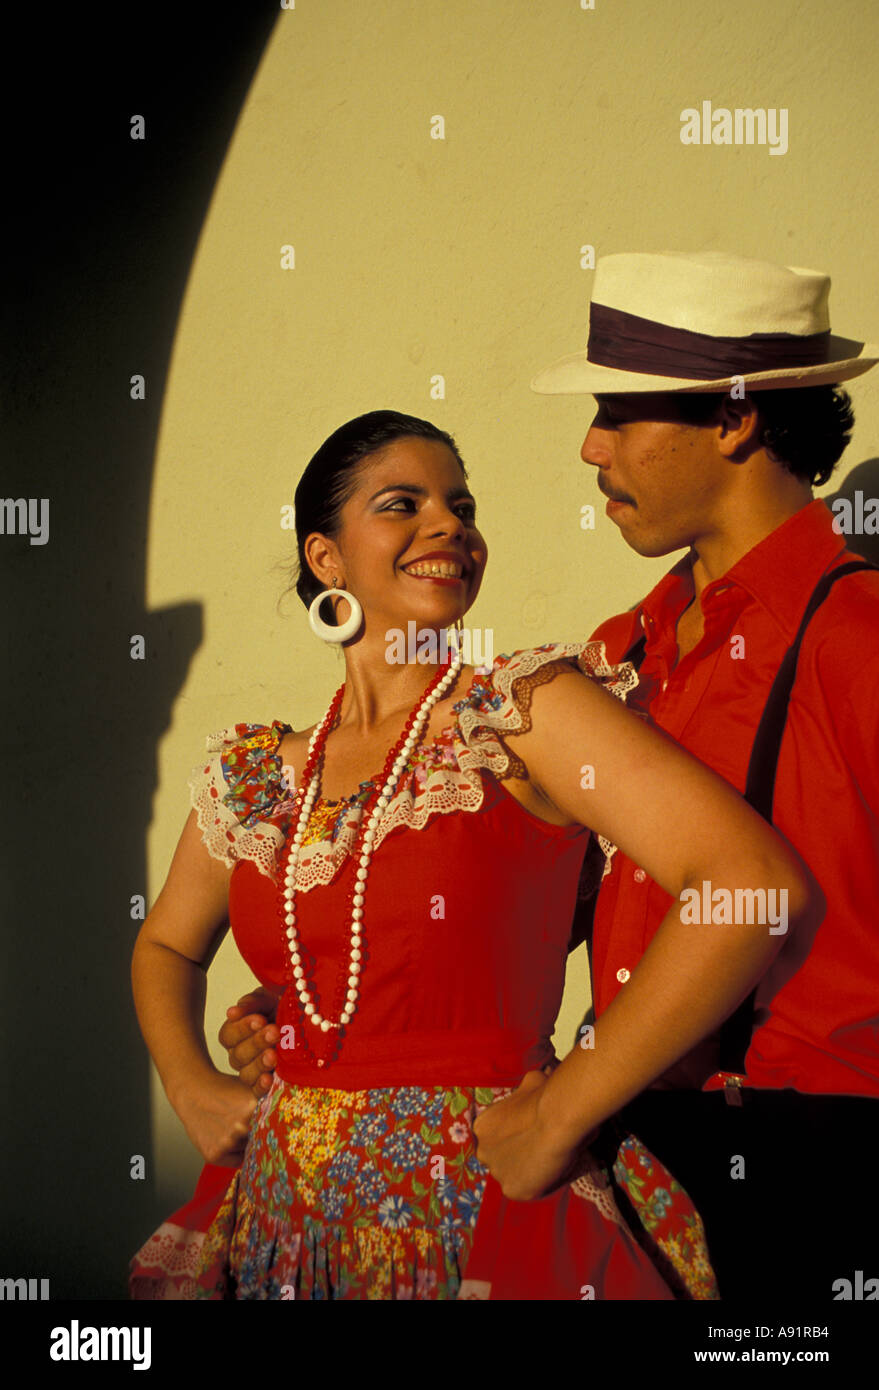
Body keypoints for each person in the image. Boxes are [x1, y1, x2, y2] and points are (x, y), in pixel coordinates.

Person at [129, 408, 810, 1301]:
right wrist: (190, 1083)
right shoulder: (255, 774)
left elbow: (749, 885)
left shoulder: (523, 711)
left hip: (482, 1203)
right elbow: (166, 945)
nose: (449, 523)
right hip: (283, 1219)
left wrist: (567, 1109)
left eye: (462, 503)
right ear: (324, 558)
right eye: (401, 503)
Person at [478, 249, 878, 1302]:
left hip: (824, 1162)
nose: (588, 445)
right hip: (637, 1143)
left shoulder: (859, 639)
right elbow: (549, 906)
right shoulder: (628, 647)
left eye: (620, 411)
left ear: (737, 419)